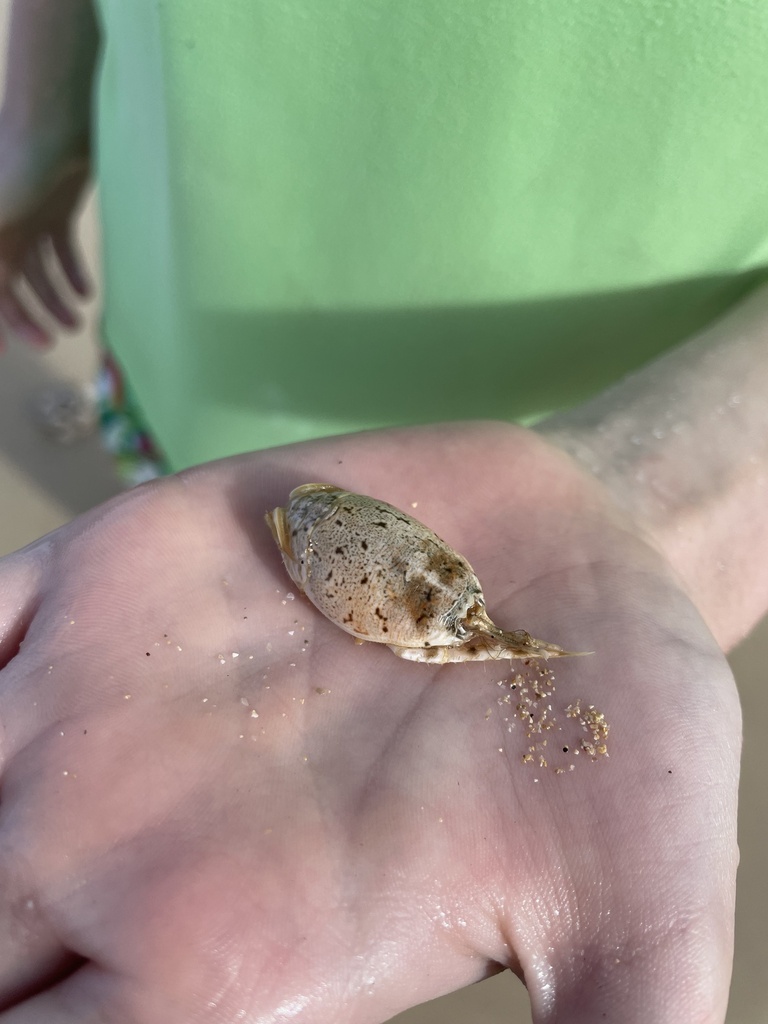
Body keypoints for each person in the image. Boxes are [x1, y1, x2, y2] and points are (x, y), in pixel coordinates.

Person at [0, 2, 766, 1022]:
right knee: (163, 487)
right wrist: (39, 111)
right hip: (194, 276)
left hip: (621, 363)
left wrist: (674, 479)